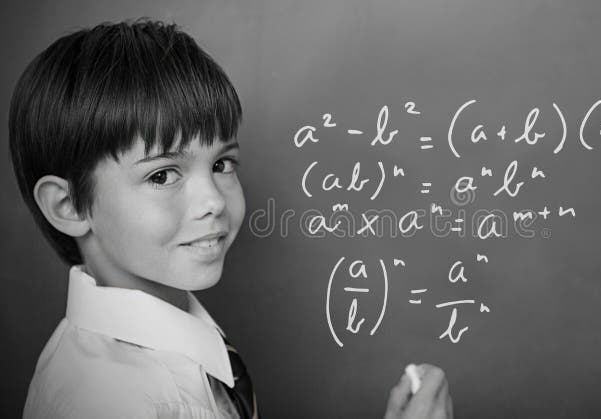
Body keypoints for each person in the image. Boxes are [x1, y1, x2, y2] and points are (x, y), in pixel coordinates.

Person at [9, 19, 453, 419]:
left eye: (222, 165)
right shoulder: (117, 400)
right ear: (69, 206)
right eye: (163, 175)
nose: (214, 202)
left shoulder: (169, 337)